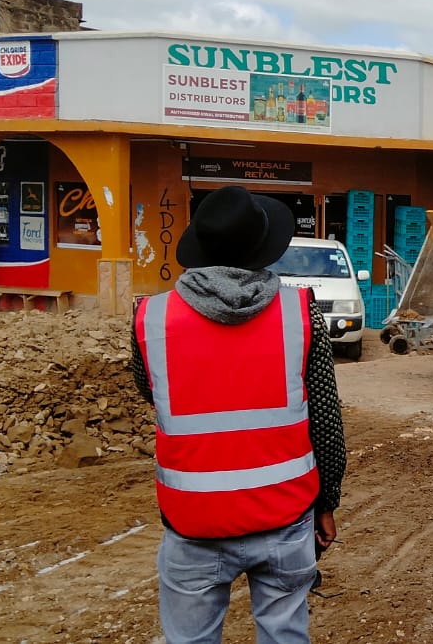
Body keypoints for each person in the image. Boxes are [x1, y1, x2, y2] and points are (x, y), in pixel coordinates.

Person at [131, 186, 347, 643]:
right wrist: (326, 501)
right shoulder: (301, 313)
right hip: (285, 519)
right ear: (261, 249)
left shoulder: (150, 319)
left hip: (194, 526)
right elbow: (326, 422)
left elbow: (155, 394)